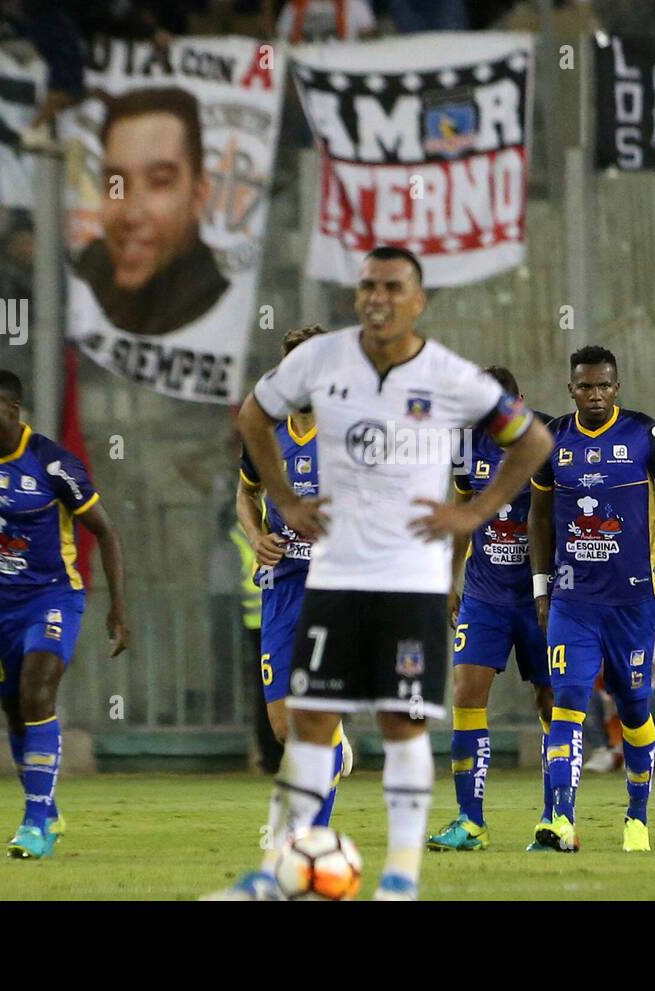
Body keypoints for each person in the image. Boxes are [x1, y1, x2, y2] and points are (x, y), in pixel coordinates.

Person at [220, 245, 552, 900]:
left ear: (418, 298)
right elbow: (252, 417)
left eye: (393, 286)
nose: (378, 295)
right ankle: (279, 872)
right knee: (309, 723)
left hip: (407, 579)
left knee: (403, 725)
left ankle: (399, 881)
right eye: (368, 284)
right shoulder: (318, 364)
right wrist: (282, 500)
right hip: (332, 580)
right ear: (356, 297)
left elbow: (533, 441)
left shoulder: (450, 375)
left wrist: (474, 511)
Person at [0, 369, 129, 859]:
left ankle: (32, 825)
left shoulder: (53, 463)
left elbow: (106, 532)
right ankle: (46, 807)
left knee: (37, 690)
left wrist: (117, 606)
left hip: (53, 597)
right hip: (0, 603)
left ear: (13, 409)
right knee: (12, 707)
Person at [528, 345, 655, 853]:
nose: (595, 394)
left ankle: (637, 819)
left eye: (604, 385)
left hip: (632, 602)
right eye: (585, 386)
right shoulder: (552, 439)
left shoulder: (645, 433)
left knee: (633, 705)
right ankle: (561, 818)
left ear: (617, 387)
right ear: (571, 390)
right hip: (573, 601)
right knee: (568, 700)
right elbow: (538, 517)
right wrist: (541, 587)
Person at [427, 365, 552, 853]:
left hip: (540, 596)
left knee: (552, 701)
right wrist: (449, 577)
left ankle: (556, 818)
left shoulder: (547, 441)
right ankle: (470, 821)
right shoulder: (466, 445)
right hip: (484, 594)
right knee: (466, 693)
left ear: (519, 402)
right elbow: (460, 511)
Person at [236, 324, 353, 809]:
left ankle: (312, 841)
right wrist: (257, 536)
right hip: (282, 586)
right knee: (284, 728)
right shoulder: (266, 436)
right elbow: (245, 493)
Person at [72, 87, 230, 337]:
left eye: (159, 182)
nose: (131, 214)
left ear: (198, 195)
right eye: (117, 184)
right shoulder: (85, 275)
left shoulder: (214, 303)